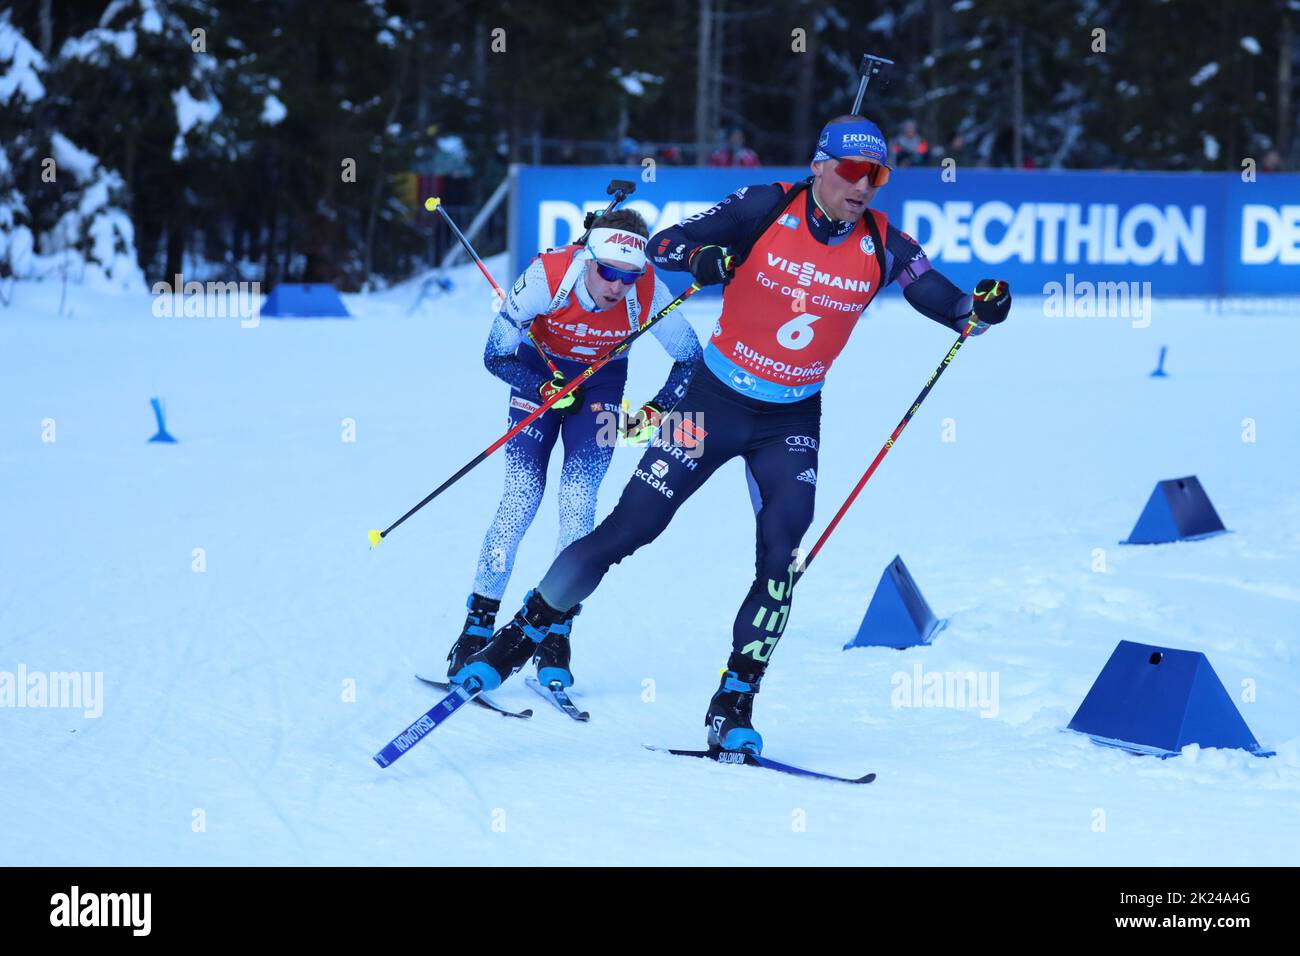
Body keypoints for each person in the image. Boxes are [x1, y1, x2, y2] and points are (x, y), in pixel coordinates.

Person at [454, 116, 1012, 754]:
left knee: (781, 559)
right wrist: (705, 258)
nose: (866, 187)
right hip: (711, 402)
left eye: (878, 175)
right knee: (628, 529)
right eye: (855, 172)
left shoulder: (888, 245)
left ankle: (734, 703)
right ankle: (520, 637)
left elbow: (948, 304)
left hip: (791, 420)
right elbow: (664, 246)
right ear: (821, 165)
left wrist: (980, 310)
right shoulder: (764, 206)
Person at [445, 208, 702, 689]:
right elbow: (494, 354)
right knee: (520, 499)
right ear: (588, 259)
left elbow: (691, 358)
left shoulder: (648, 293)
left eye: (630, 276)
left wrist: (654, 411)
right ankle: (474, 628)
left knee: (580, 508)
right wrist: (541, 388)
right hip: (539, 377)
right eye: (608, 272)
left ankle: (555, 632)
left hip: (603, 390)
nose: (617, 287)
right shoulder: (548, 275)